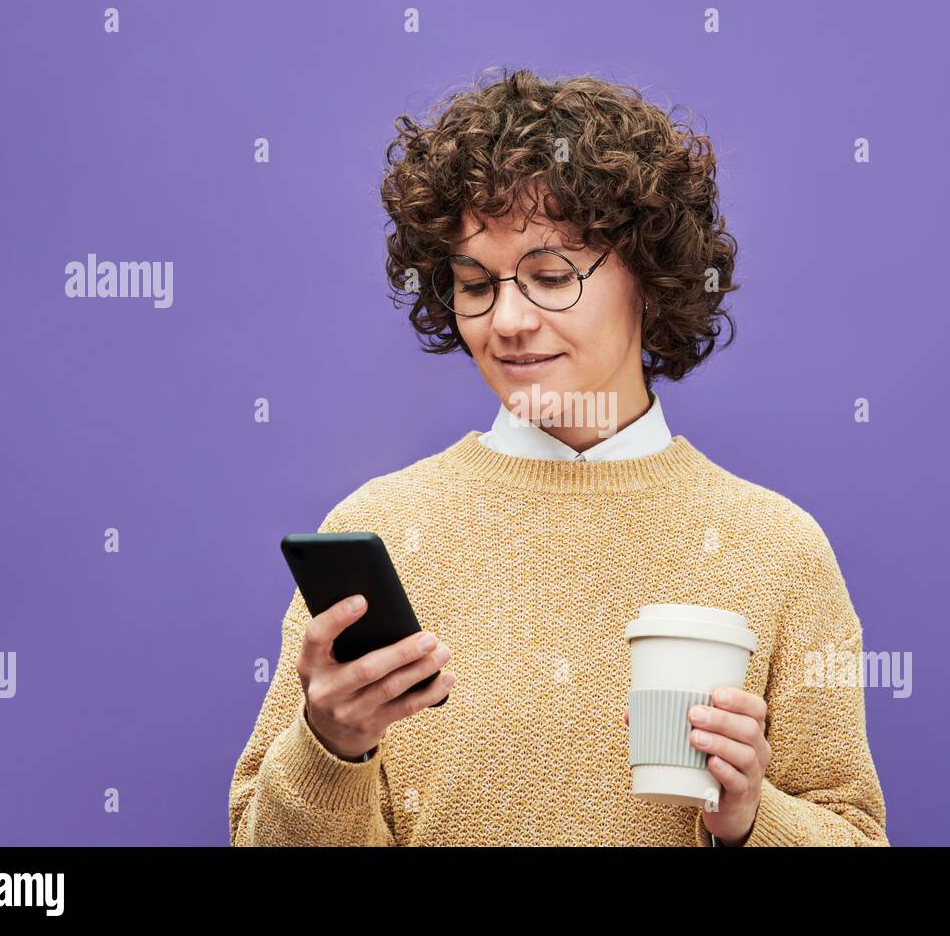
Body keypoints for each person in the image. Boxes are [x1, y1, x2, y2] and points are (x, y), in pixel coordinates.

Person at [228, 68, 889, 846]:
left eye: (550, 277)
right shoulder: (383, 528)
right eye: (475, 285)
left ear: (650, 276)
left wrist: (751, 820)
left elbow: (853, 832)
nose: (506, 320)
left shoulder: (777, 549)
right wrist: (330, 746)